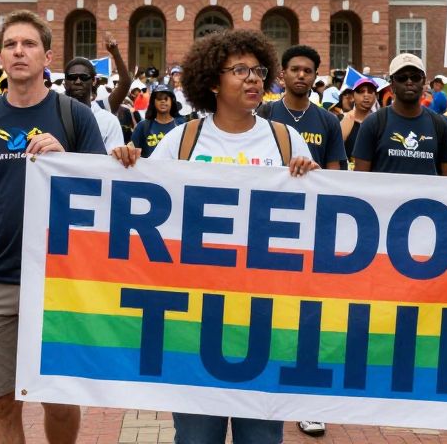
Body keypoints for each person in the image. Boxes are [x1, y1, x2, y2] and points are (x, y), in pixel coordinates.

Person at [110, 29, 317, 444]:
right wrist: (126, 163)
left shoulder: (285, 140)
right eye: (239, 70)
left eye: (258, 70)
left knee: (261, 438)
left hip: (263, 323)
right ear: (212, 82)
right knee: (196, 437)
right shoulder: (182, 140)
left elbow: (313, 222)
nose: (253, 78)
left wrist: (310, 179)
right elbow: (144, 203)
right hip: (194, 325)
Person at [0, 11, 105, 444]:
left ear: (48, 56)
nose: (19, 51)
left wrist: (67, 160)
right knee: (1, 402)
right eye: (11, 44)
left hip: (60, 283)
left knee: (59, 400)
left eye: (29, 44)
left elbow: (101, 194)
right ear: (0, 56)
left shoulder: (74, 117)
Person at [256, 45, 344, 437]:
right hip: (269, 231)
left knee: (311, 318)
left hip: (312, 232)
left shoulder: (327, 121)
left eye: (308, 70)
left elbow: (336, 176)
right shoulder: (264, 115)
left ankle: (308, 404)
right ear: (282, 74)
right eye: (295, 69)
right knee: (271, 315)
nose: (301, 76)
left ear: (315, 76)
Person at [352, 54, 447, 177]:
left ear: (423, 81)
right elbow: (360, 178)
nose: (409, 82)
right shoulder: (373, 123)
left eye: (415, 77)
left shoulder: (440, 124)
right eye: (402, 78)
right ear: (392, 84)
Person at [64, 57, 125, 151]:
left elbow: (113, 158)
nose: (78, 81)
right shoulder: (54, 116)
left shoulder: (109, 121)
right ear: (65, 82)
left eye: (84, 77)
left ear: (94, 81)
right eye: (72, 77)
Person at [130, 84, 183, 158]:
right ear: (153, 102)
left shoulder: (182, 125)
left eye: (166, 98)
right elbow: (131, 153)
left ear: (172, 101)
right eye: (159, 98)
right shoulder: (142, 127)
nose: (163, 101)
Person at [341, 77, 378, 164]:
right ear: (353, 96)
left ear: (376, 96)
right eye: (361, 91)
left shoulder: (380, 121)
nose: (366, 95)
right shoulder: (346, 120)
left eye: (370, 91)